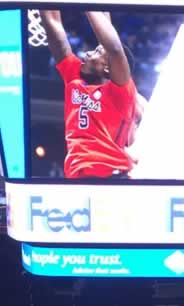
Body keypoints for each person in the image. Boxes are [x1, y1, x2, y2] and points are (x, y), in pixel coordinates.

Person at [37, 9, 142, 179]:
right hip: (77, 175)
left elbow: (114, 49)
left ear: (108, 67)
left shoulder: (121, 93)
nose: (86, 53)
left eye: (96, 52)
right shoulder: (75, 79)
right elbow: (54, 27)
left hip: (111, 174)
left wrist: (86, 5)